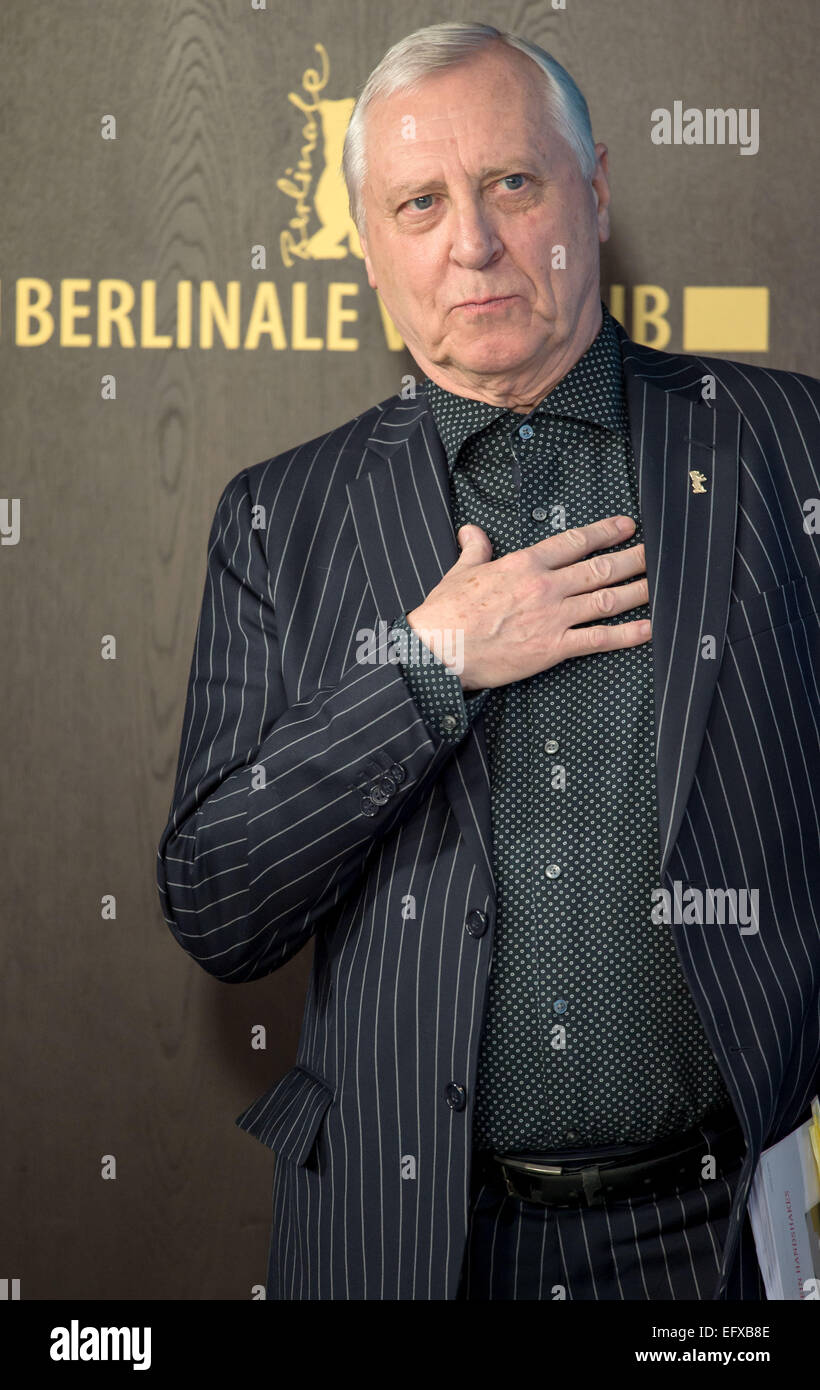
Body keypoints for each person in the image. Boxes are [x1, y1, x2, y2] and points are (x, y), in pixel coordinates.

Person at [156, 20, 820, 1300]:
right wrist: (425, 667)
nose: (471, 240)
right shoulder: (276, 519)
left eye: (511, 182)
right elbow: (216, 904)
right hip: (402, 1248)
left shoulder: (788, 451)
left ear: (596, 189)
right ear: (368, 248)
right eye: (420, 202)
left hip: (718, 1242)